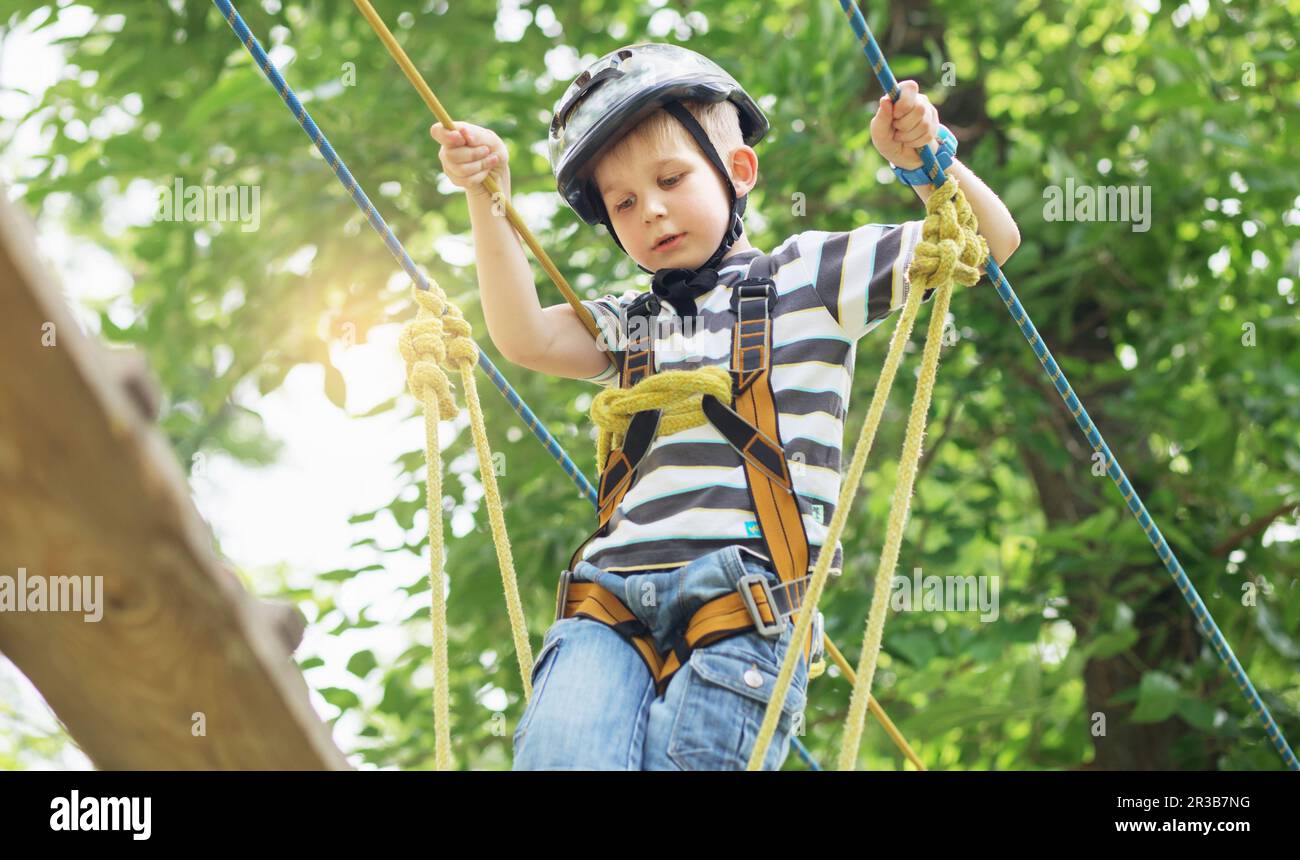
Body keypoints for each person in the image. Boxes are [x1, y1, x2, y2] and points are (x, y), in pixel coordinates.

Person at [431, 42, 1020, 770]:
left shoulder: (808, 278)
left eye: (671, 179)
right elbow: (523, 336)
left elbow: (986, 241)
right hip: (608, 605)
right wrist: (488, 201)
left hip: (742, 607)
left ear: (738, 171)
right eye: (621, 202)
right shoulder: (632, 320)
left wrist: (925, 162)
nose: (649, 209)